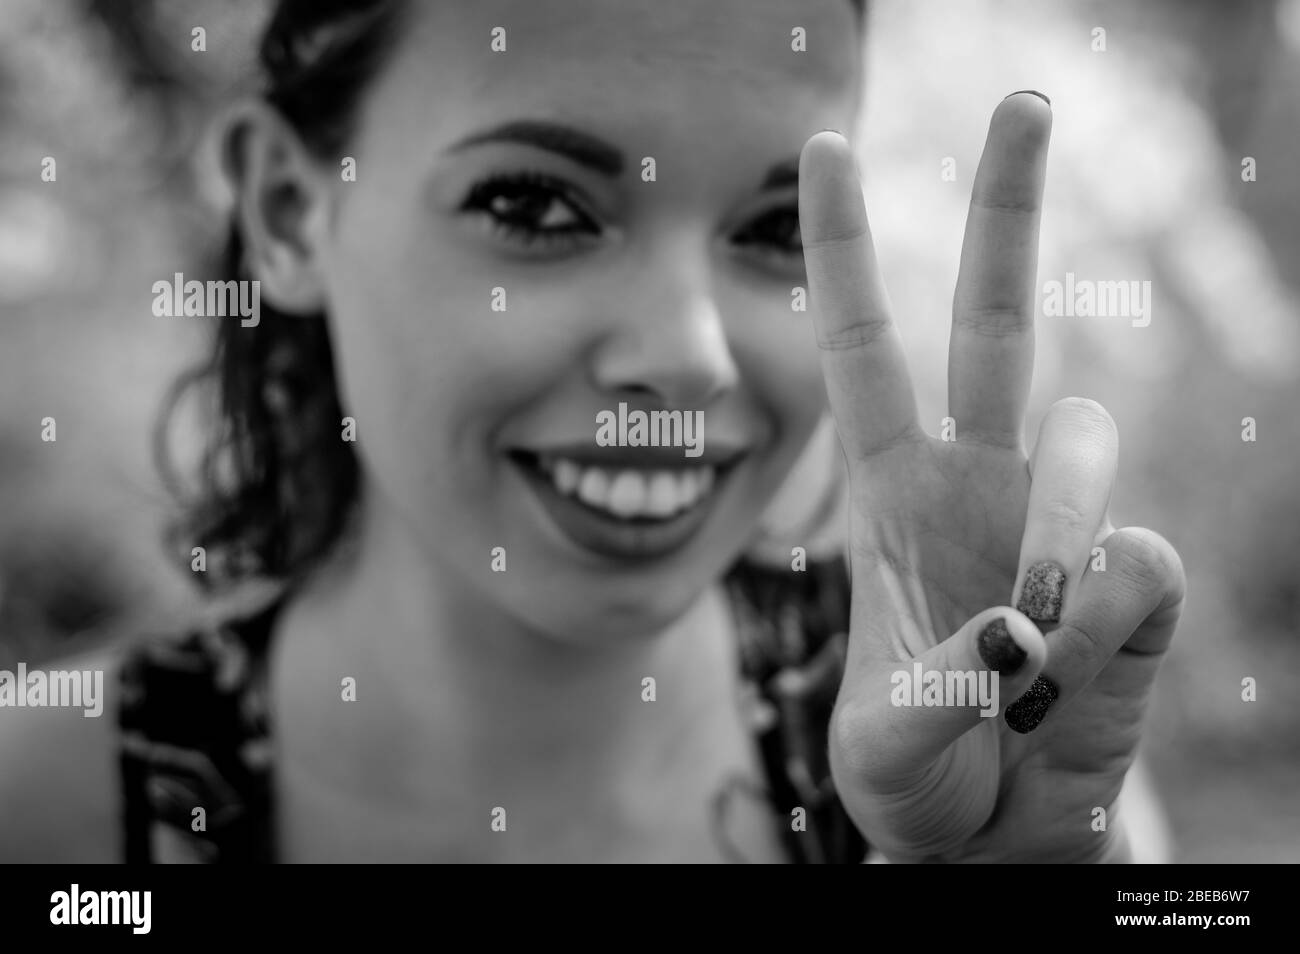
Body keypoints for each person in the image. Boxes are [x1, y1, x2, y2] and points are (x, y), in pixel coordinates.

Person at [0, 0, 1185, 863]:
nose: (689, 357)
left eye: (776, 226)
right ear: (288, 210)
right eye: (534, 204)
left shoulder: (971, 731)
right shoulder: (48, 805)